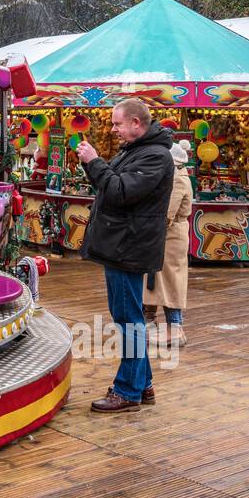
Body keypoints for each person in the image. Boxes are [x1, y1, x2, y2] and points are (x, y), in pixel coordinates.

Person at [76, 98, 174, 414]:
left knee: (129, 319)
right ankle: (142, 384)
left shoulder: (155, 156)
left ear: (136, 123)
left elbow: (119, 192)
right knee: (127, 316)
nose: (114, 129)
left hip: (128, 248)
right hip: (121, 245)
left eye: (118, 124)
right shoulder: (136, 151)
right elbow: (112, 188)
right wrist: (93, 165)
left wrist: (94, 161)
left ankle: (127, 390)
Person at [144, 138, 192, 348]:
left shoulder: (177, 180)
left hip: (171, 235)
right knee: (152, 278)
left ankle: (175, 327)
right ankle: (148, 321)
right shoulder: (174, 177)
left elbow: (166, 214)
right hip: (165, 234)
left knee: (170, 280)